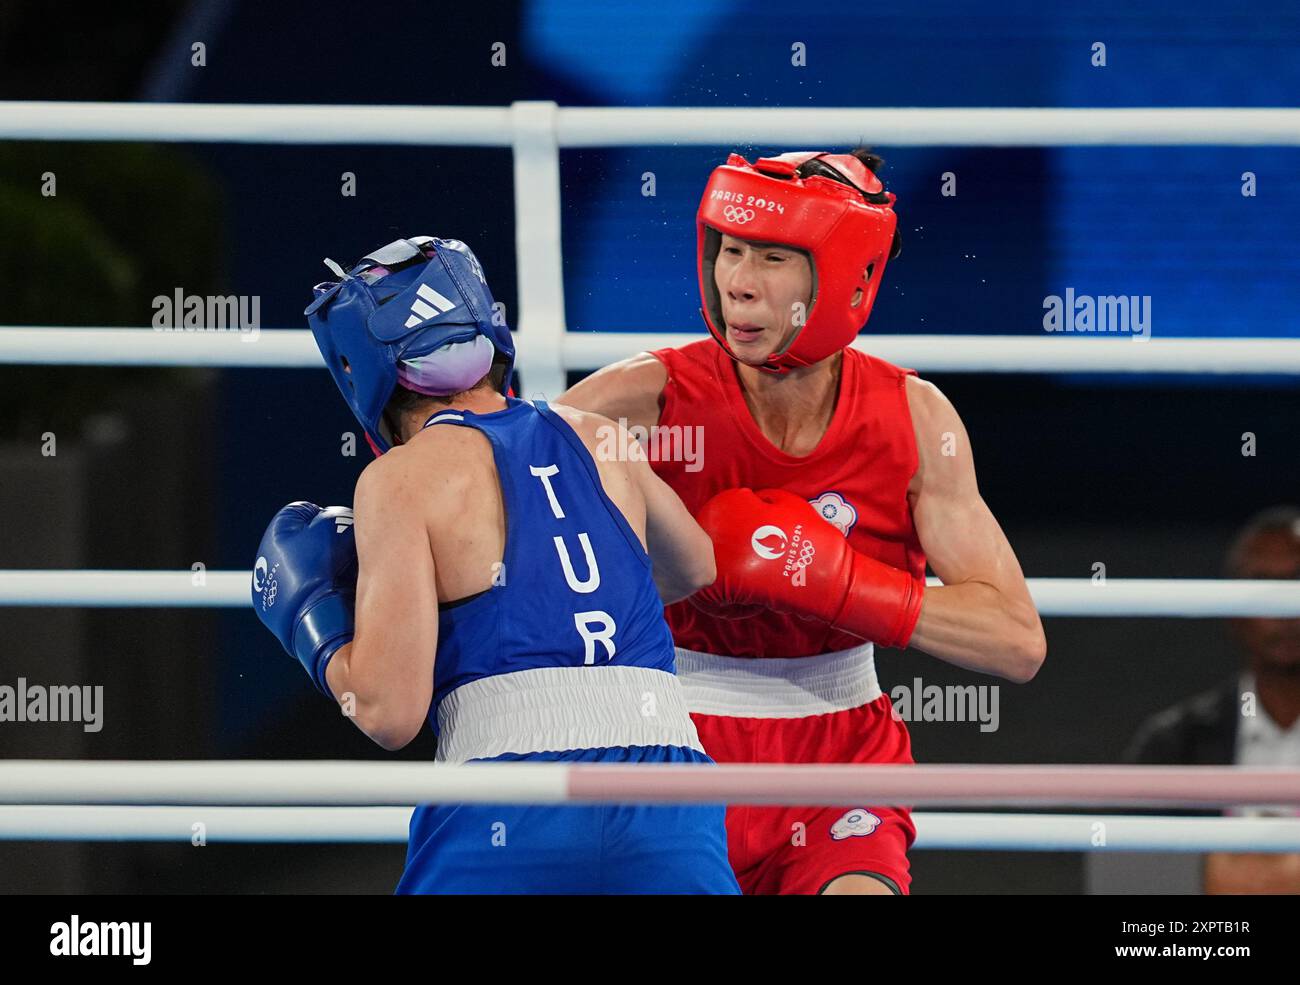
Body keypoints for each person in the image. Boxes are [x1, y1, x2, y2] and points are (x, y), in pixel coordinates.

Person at [559, 151, 1047, 895]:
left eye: (773, 257)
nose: (738, 281)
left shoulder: (915, 421)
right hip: (667, 739)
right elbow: (494, 494)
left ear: (848, 276)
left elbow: (1016, 639)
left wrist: (841, 583)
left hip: (840, 757)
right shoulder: (642, 398)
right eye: (730, 249)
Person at [251, 235, 739, 894]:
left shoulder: (400, 480)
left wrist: (315, 625)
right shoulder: (597, 433)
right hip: (667, 793)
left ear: (361, 365)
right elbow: (694, 566)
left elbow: (387, 711)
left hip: (508, 795)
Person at [1125, 506, 1300, 894]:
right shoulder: (1174, 743)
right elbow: (1128, 877)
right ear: (1232, 608)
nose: (1287, 608)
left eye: (1297, 581)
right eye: (1264, 582)